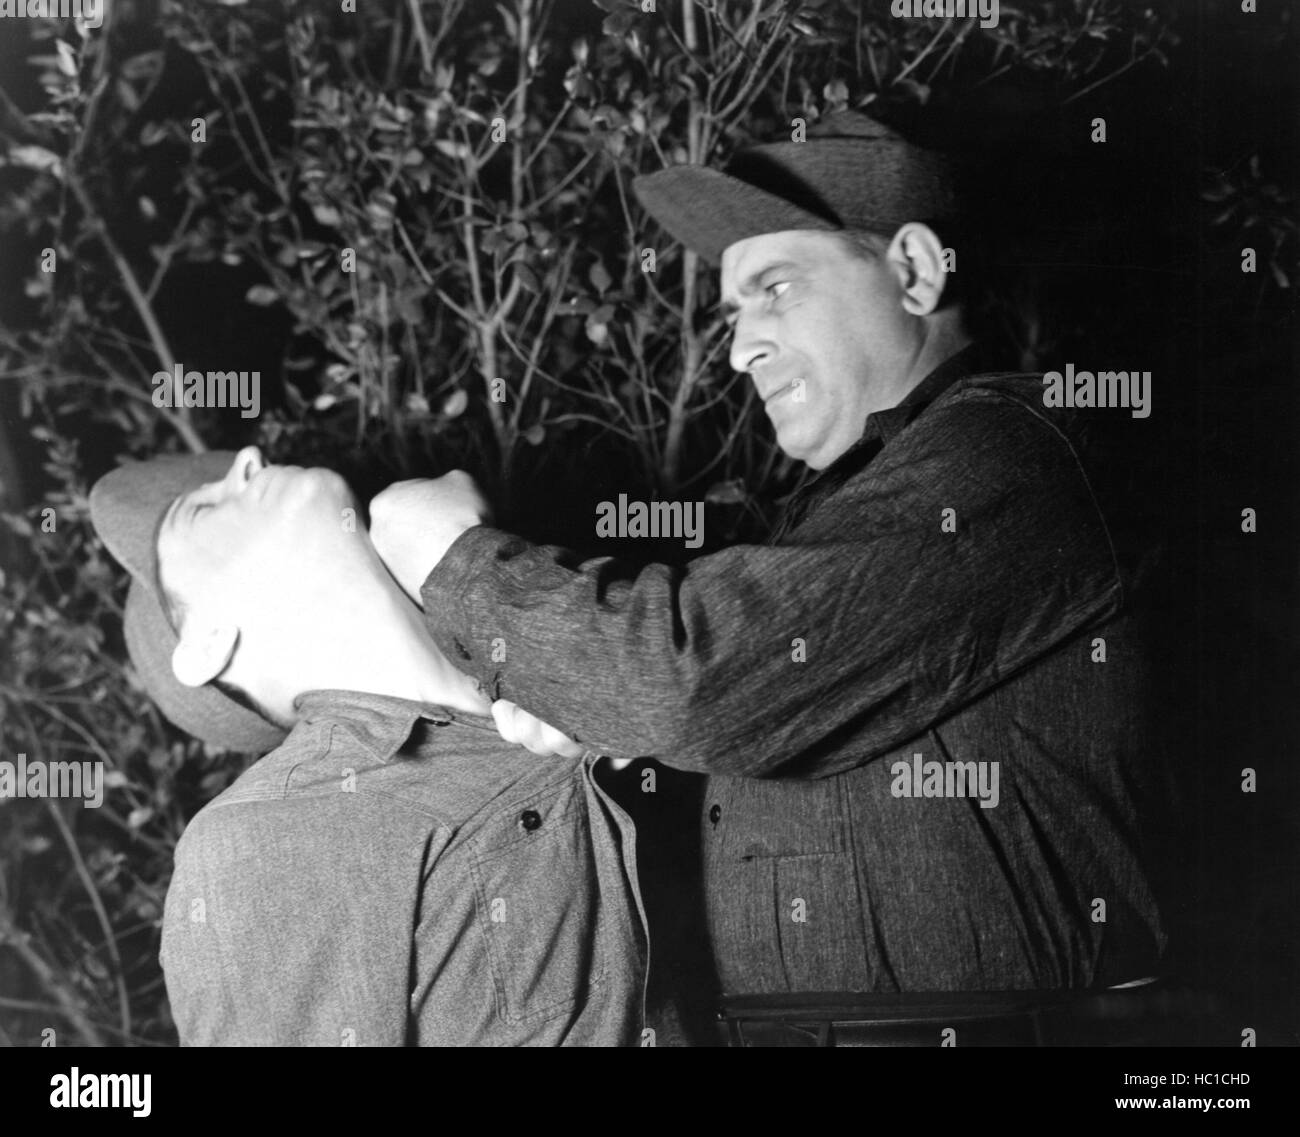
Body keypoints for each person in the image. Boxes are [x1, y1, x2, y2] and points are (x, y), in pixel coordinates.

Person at [367, 113, 1174, 1032]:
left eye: (776, 288)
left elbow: (692, 680)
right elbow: (727, 707)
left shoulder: (1012, 454)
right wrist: (600, 712)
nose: (741, 345)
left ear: (914, 270)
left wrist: (453, 556)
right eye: (734, 313)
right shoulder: (837, 509)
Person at [88, 448, 647, 1046]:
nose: (248, 457)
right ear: (205, 643)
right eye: (199, 512)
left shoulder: (596, 641)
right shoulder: (266, 840)